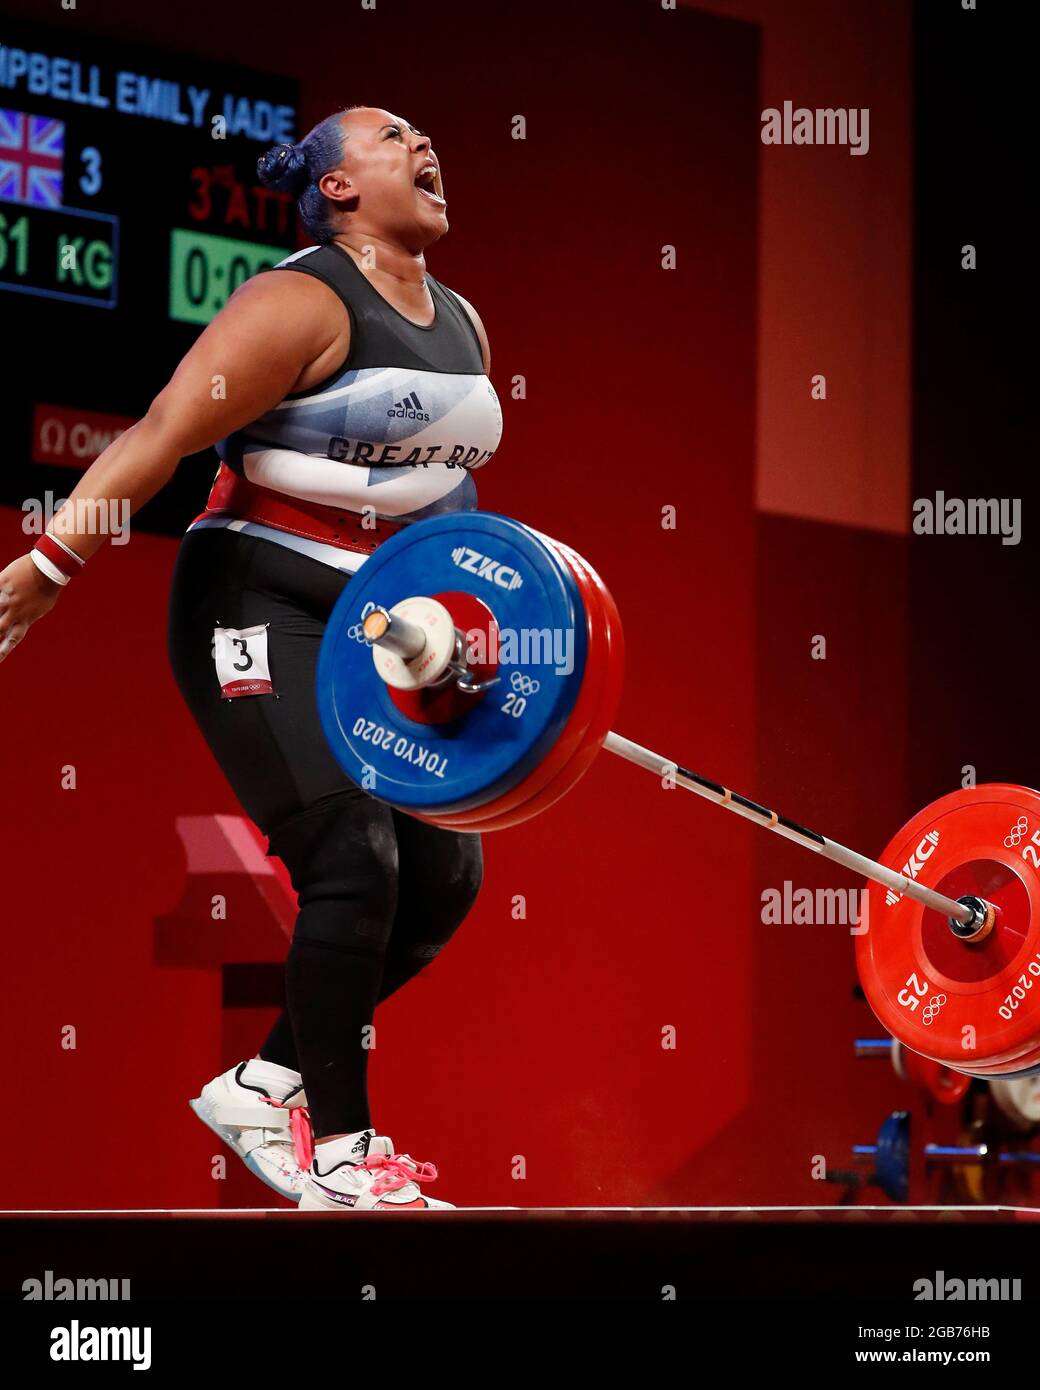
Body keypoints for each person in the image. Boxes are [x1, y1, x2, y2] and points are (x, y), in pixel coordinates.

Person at [0, 105, 503, 1212]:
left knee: (443, 875)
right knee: (350, 857)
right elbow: (163, 431)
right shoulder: (299, 299)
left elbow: (445, 496)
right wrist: (48, 565)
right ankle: (341, 1149)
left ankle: (261, 1081)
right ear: (333, 188)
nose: (426, 145)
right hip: (255, 598)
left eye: (429, 134)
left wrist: (475, 624)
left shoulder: (460, 320)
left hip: (380, 620)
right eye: (393, 138)